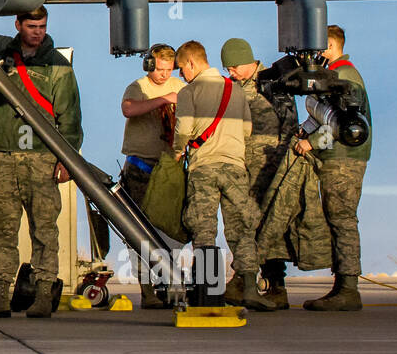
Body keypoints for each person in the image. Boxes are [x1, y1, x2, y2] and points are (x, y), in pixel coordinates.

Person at [0, 6, 82, 319]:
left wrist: (67, 159)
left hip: (41, 157)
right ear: (18, 24)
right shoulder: (2, 49)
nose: (38, 31)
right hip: (3, 157)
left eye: (42, 26)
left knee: (45, 229)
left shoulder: (58, 66)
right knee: (1, 228)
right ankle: (0, 295)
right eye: (31, 25)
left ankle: (44, 293)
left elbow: (70, 117)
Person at [172, 41, 277, 312]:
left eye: (182, 69)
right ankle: (250, 288)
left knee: (204, 229)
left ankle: (208, 293)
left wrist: (177, 149)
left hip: (203, 168)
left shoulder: (188, 92)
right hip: (235, 167)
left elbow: (183, 130)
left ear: (192, 63)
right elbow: (246, 129)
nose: (181, 75)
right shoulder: (235, 90)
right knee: (242, 229)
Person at [294, 25, 371, 311]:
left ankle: (348, 288)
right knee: (339, 218)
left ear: (327, 45)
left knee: (342, 219)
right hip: (341, 158)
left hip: (343, 159)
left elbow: (349, 124)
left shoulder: (344, 77)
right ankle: (343, 286)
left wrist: (310, 143)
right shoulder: (342, 74)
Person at [221, 38, 299, 308]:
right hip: (244, 168)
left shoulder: (273, 83)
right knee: (246, 225)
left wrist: (283, 164)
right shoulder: (235, 87)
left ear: (247, 61)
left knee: (271, 225)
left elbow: (290, 124)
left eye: (234, 67)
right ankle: (245, 279)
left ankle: (275, 285)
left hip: (270, 166)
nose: (231, 72)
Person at [118, 43, 185, 308]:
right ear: (149, 66)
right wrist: (164, 99)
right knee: (138, 229)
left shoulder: (180, 87)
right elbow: (128, 109)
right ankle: (146, 290)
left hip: (168, 169)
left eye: (169, 69)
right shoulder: (138, 87)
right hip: (140, 167)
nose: (164, 75)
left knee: (169, 229)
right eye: (159, 69)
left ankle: (169, 283)